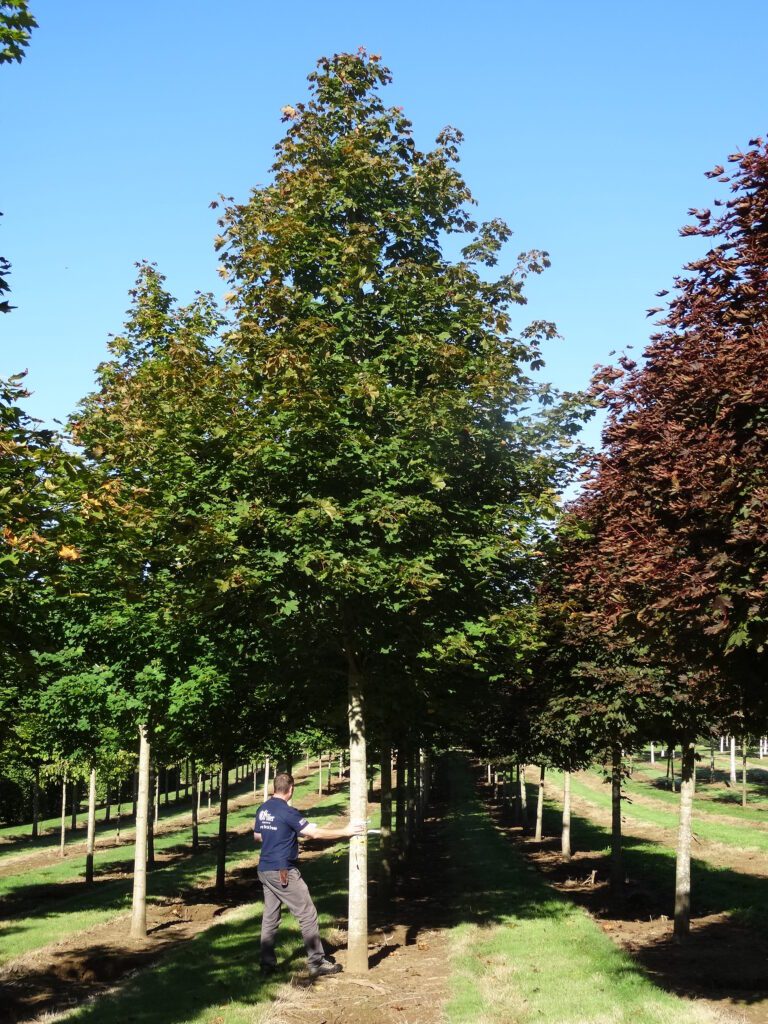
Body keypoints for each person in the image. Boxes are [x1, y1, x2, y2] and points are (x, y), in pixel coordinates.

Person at [253, 770, 364, 978]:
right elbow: (314, 833)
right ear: (291, 789)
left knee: (270, 917)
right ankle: (317, 961)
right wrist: (346, 831)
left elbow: (258, 836)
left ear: (275, 787)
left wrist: (283, 834)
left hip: (265, 869)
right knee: (307, 913)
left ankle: (266, 965)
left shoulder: (263, 808)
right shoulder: (288, 811)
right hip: (283, 871)